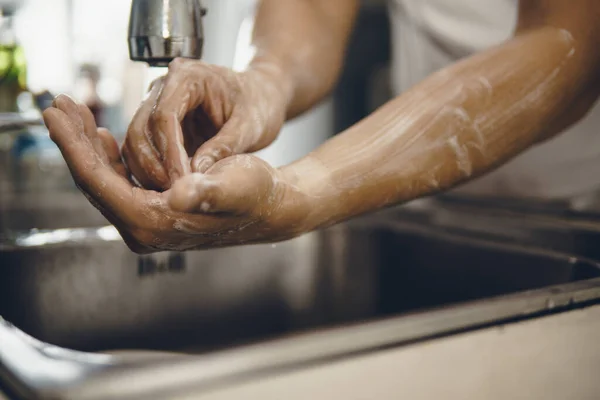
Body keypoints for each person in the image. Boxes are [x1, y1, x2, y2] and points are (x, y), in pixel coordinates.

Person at [43, 0, 600, 253]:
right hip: (435, 215)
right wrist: (262, 83)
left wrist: (303, 191)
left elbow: (571, 48)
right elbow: (312, 8)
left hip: (582, 219)